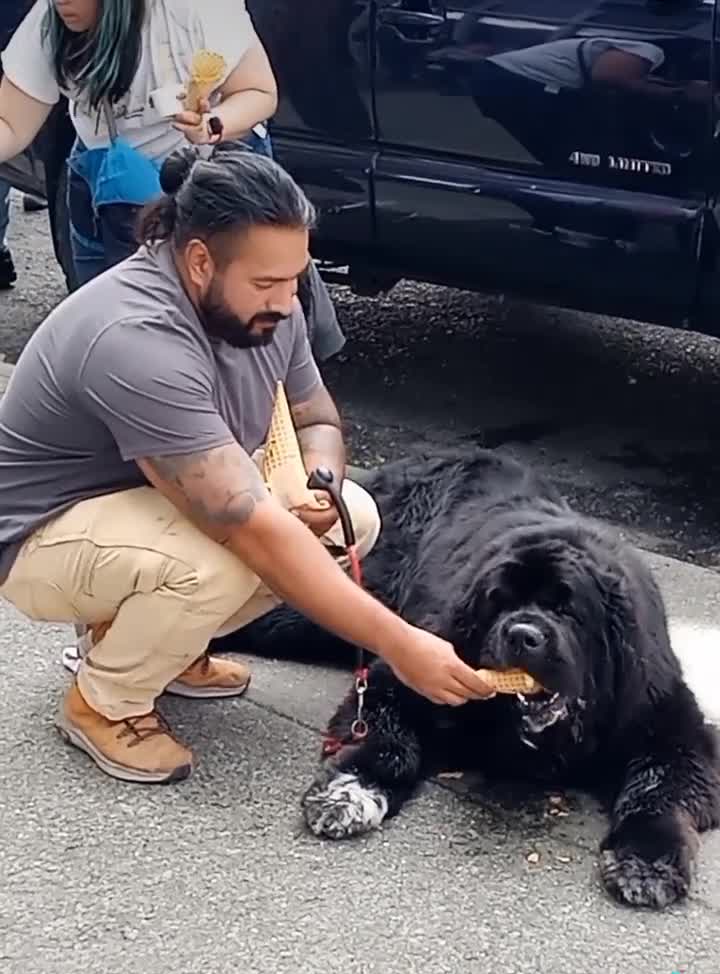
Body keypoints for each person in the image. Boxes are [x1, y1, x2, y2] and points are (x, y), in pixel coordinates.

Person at [0, 146, 495, 784]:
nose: (290, 303)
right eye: (268, 284)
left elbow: (317, 417)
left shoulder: (272, 295)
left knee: (352, 520)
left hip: (149, 507)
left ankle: (161, 649)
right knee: (218, 561)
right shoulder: (135, 337)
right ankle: (103, 704)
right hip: (38, 536)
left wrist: (321, 481)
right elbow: (249, 530)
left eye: (296, 278)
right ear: (199, 260)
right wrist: (401, 646)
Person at [0, 0, 345, 361]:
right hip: (108, 176)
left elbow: (259, 92)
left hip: (209, 179)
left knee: (233, 333)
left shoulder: (192, 8)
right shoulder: (49, 21)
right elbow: (11, 123)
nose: (61, 2)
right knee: (109, 329)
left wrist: (212, 123)